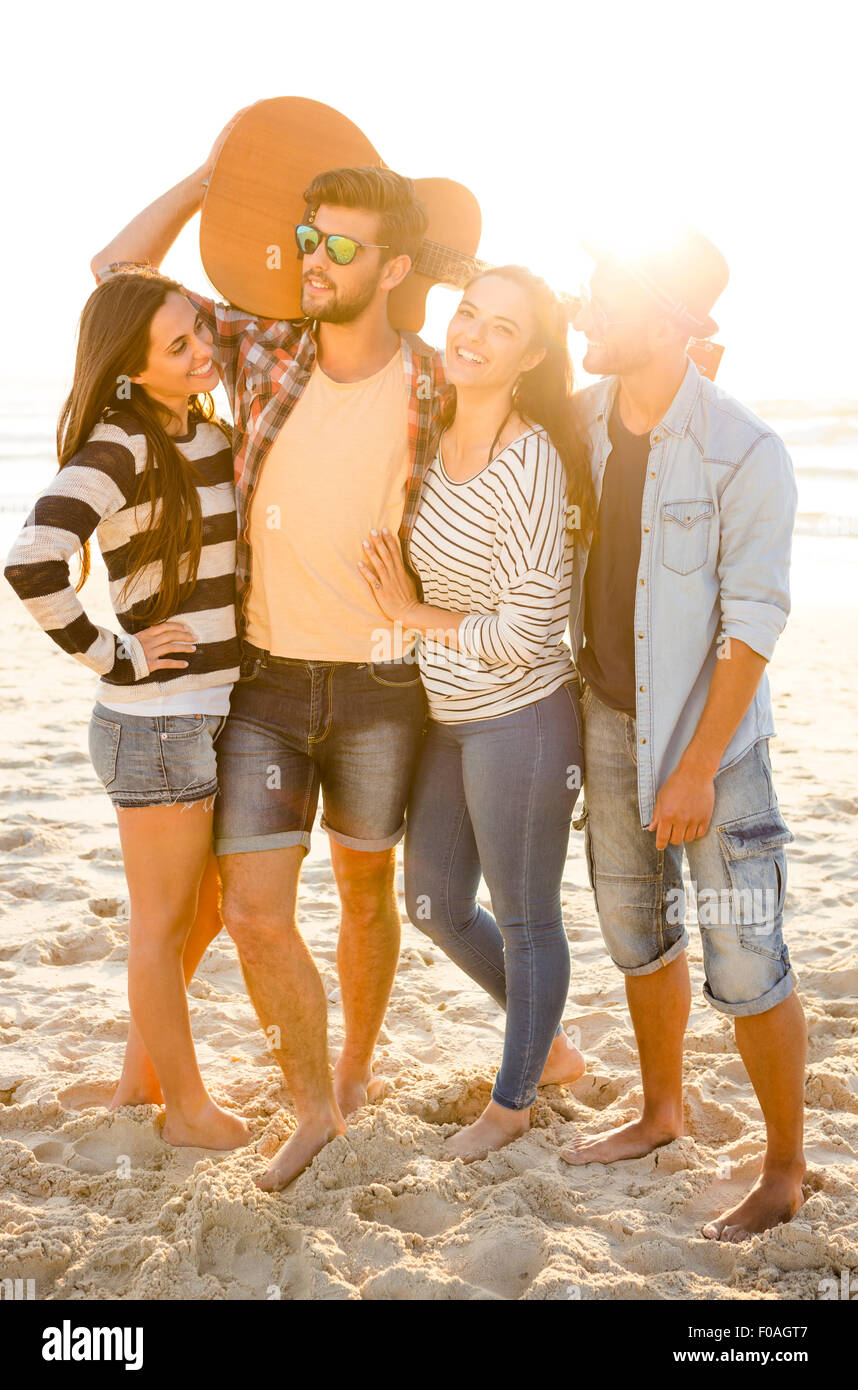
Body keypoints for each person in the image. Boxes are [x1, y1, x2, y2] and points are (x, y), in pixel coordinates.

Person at [90, 126, 448, 1189]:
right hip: (266, 683)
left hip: (386, 685)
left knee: (366, 893)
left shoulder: (438, 383)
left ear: (393, 268)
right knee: (251, 911)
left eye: (340, 247)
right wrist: (218, 179)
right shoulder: (260, 349)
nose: (311, 260)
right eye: (307, 237)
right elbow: (118, 273)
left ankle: (349, 1071)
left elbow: (535, 399)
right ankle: (308, 1109)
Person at [560, 228, 806, 1241]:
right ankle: (662, 1110)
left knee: (746, 959)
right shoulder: (577, 422)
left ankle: (784, 1168)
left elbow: (751, 624)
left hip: (715, 748)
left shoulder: (742, 450)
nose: (585, 310)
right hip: (606, 724)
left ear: (667, 322)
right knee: (636, 935)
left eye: (605, 297)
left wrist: (696, 769)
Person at [4, 270, 247, 1151]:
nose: (201, 353)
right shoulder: (122, 444)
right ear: (133, 367)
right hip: (156, 722)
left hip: (216, 712)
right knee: (161, 926)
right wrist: (119, 650)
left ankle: (139, 1083)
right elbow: (32, 562)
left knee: (208, 913)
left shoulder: (213, 437)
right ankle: (183, 1109)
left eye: (200, 333)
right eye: (177, 347)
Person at [358, 266, 593, 1159]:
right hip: (447, 715)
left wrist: (411, 616)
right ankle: (555, 1046)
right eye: (467, 314)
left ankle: (514, 1101)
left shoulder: (528, 459)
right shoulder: (432, 429)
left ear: (530, 356)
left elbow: (534, 629)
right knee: (434, 902)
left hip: (522, 721)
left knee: (528, 918)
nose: (472, 335)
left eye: (501, 328)